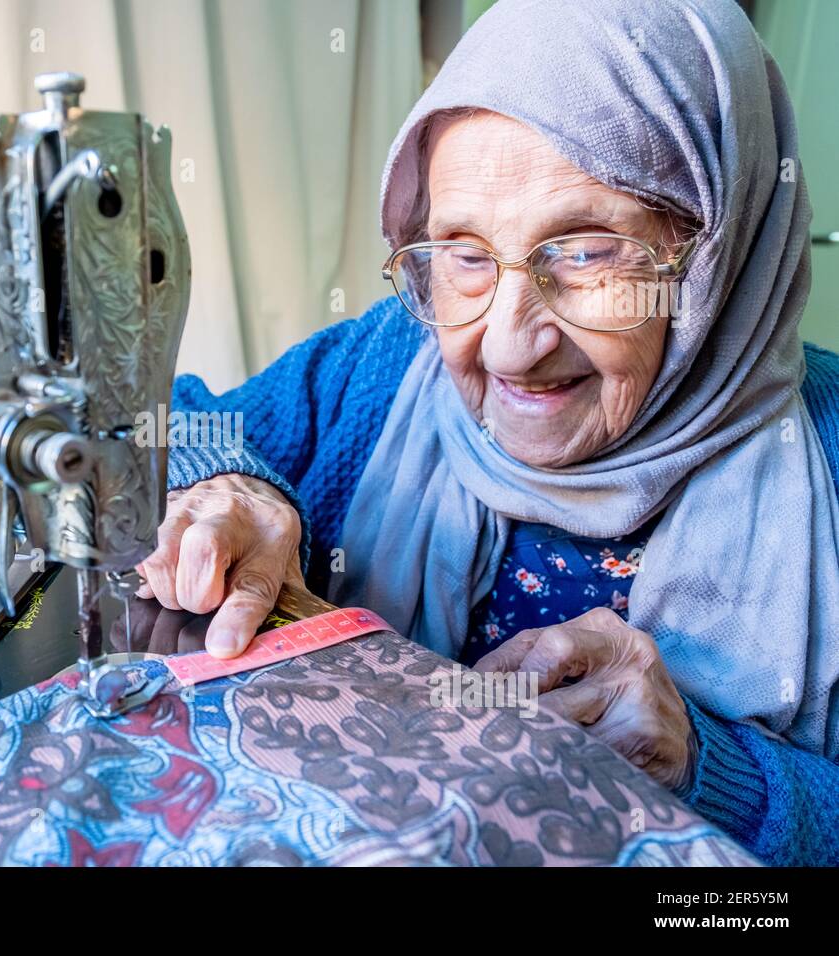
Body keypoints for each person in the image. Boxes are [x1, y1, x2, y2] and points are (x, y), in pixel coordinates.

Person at [140, 0, 839, 866]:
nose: (509, 345)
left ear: (720, 256)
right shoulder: (387, 358)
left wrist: (712, 767)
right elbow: (161, 423)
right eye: (465, 253)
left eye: (584, 252)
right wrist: (234, 486)